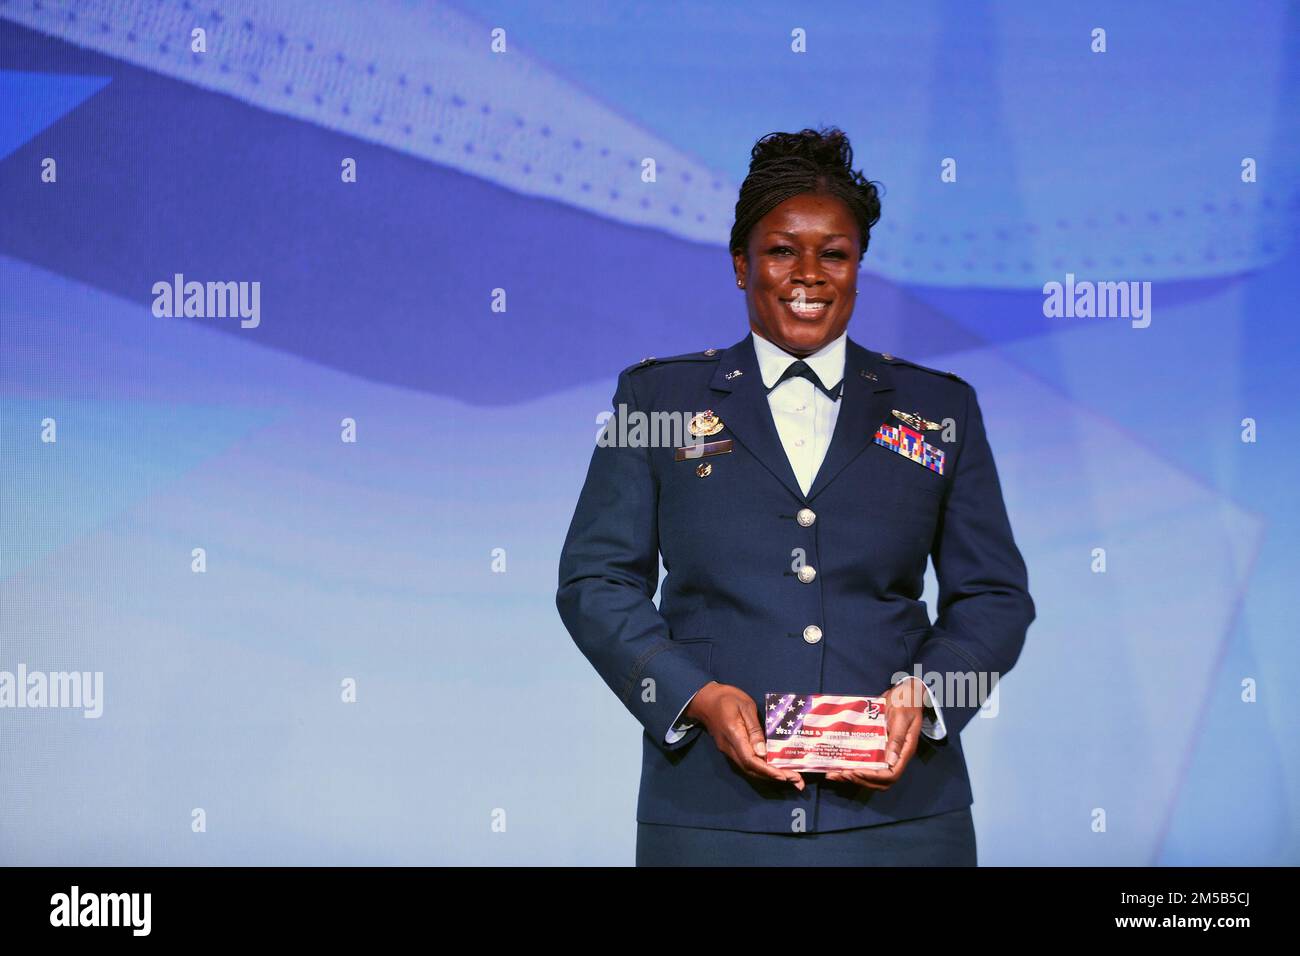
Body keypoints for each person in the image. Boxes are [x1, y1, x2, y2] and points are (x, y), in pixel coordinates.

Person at [556, 127, 1035, 866]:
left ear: (858, 268)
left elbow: (996, 595)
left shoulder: (941, 408)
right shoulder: (658, 399)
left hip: (902, 820)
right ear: (741, 266)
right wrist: (697, 696)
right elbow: (595, 579)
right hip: (711, 817)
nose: (807, 273)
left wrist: (929, 695)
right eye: (781, 250)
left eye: (834, 253)